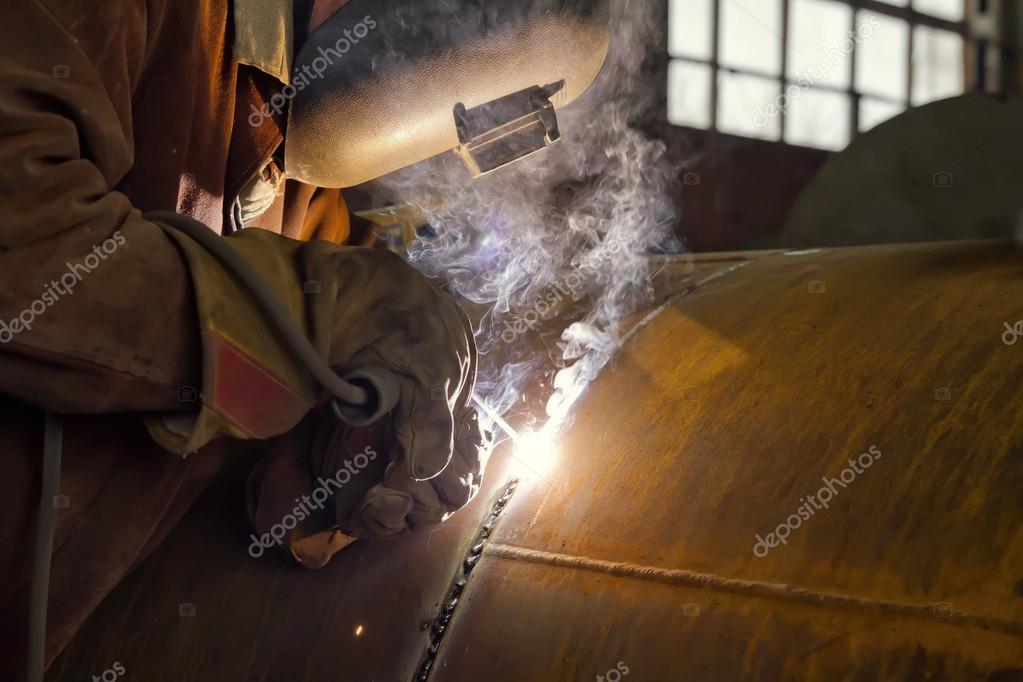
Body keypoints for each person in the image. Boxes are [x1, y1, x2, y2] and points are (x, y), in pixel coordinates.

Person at [0, 0, 485, 675]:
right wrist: (325, 319)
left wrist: (348, 458)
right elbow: (25, 256)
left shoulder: (304, 157)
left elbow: (249, 455)